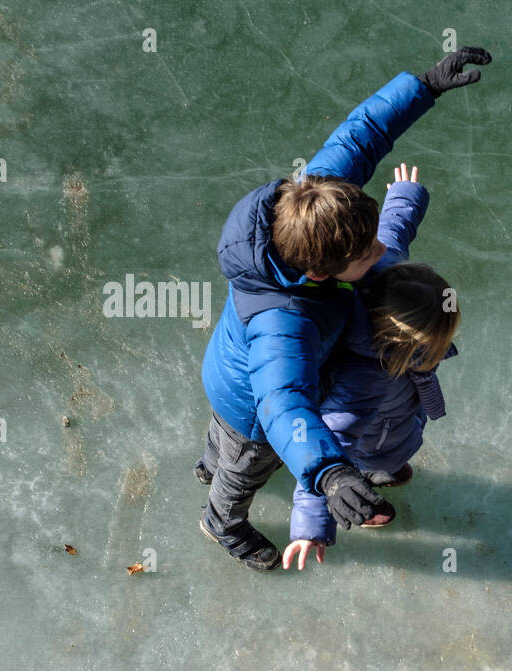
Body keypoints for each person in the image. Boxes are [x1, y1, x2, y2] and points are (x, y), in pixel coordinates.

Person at [195, 47, 491, 570]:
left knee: (225, 448)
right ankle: (221, 521)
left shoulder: (312, 203)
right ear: (320, 273)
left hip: (236, 369)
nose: (380, 254)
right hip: (252, 405)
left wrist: (424, 85)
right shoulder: (282, 322)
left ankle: (210, 460)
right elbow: (284, 406)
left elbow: (360, 133)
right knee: (244, 463)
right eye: (365, 255)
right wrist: (330, 474)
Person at [283, 162, 460, 571]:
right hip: (372, 439)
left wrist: (404, 194)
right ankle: (365, 491)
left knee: (397, 449)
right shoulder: (362, 380)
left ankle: (387, 468)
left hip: (399, 420)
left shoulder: (387, 267)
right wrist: (310, 525)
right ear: (405, 348)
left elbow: (394, 229)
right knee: (367, 462)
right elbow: (329, 443)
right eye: (438, 342)